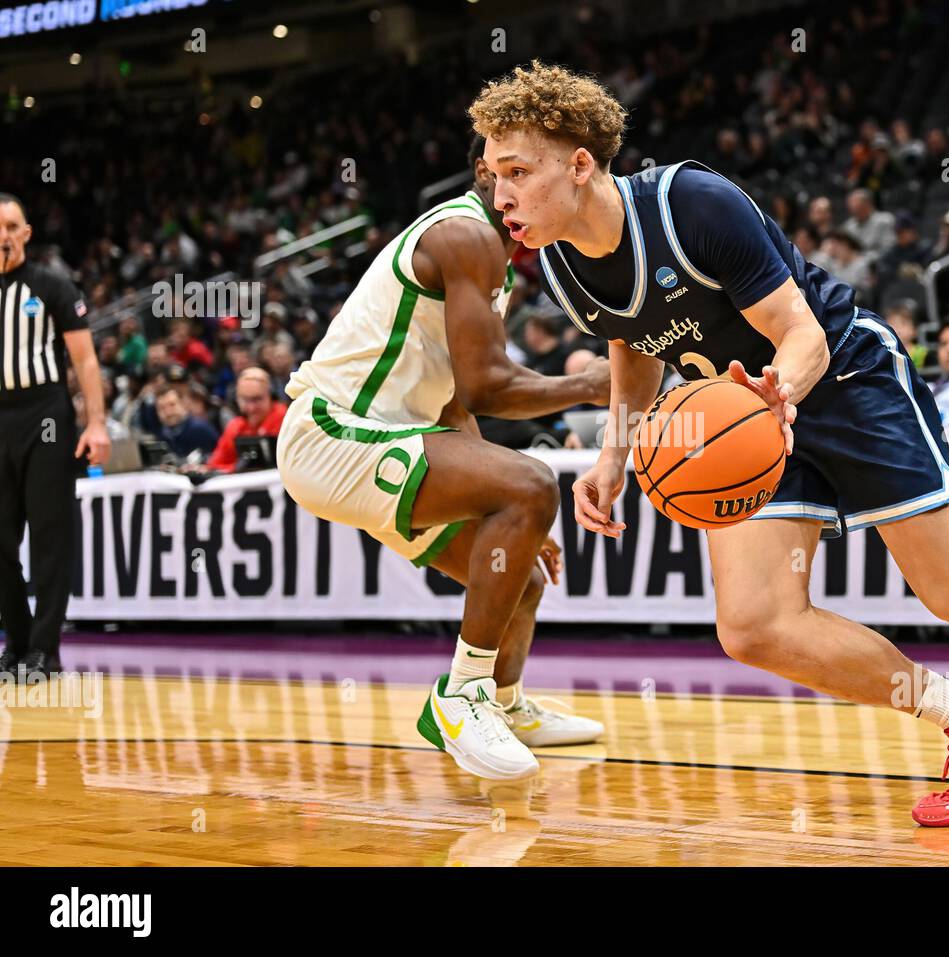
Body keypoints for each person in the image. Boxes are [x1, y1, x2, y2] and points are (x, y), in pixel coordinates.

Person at [473, 61, 949, 828]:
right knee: (754, 625)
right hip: (743, 414)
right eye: (492, 174)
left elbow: (800, 333)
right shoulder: (561, 261)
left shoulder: (692, 204)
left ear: (578, 164)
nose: (500, 195)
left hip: (840, 379)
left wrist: (779, 394)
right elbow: (636, 349)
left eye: (516, 171)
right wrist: (614, 456)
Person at [277, 136, 611, 781]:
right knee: (533, 482)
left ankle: (505, 706)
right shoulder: (467, 236)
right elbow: (491, 385)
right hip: (332, 433)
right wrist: (593, 384)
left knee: (522, 580)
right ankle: (461, 696)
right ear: (490, 177)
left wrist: (505, 506)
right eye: (514, 172)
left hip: (390, 441)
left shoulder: (490, 253)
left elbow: (459, 403)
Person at [0, 192, 111, 681]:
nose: (3, 235)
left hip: (44, 413)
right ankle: (17, 642)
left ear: (26, 233)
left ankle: (45, 649)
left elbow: (85, 360)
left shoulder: (52, 285)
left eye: (11, 226)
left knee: (49, 535)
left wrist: (96, 422)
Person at [206, 368, 286, 472]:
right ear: (236, 400)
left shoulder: (284, 417)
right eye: (245, 400)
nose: (251, 408)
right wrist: (235, 468)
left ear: (271, 396)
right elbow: (214, 465)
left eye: (257, 399)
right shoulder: (235, 426)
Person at [151, 384, 219, 459]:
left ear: (183, 404)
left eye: (172, 405)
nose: (168, 412)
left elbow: (219, 457)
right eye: (162, 408)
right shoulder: (160, 435)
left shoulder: (201, 430)